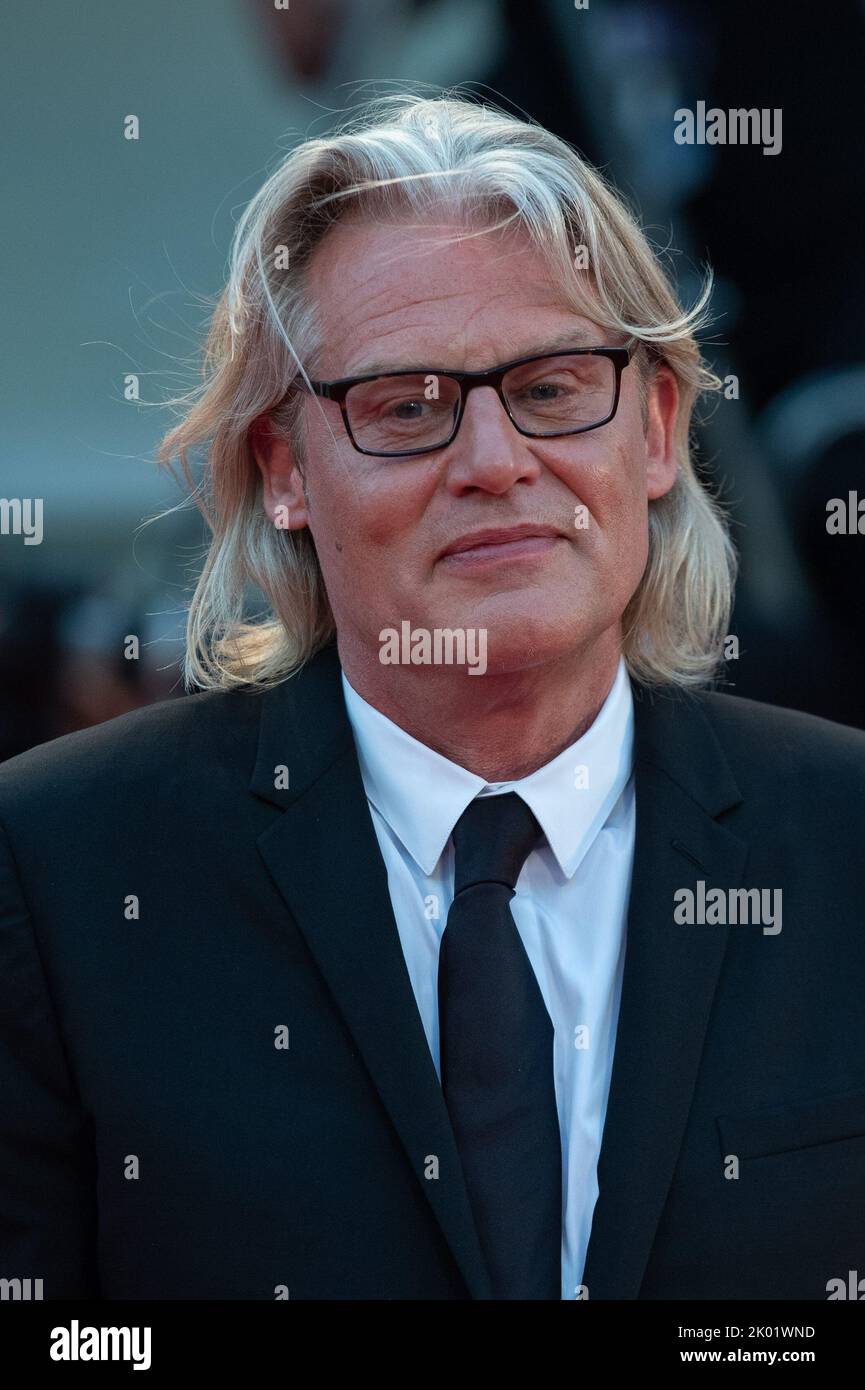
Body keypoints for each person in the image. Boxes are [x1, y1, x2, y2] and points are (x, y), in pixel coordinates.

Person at [1, 93, 863, 1302]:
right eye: (406, 406)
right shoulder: (56, 871)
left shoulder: (843, 840)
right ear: (284, 470)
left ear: (658, 430)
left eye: (555, 388)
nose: (496, 460)